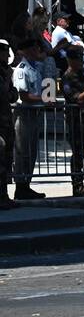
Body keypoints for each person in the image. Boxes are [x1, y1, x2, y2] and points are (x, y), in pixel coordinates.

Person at [11, 38, 50, 200]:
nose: (37, 52)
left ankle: (27, 184)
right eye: (33, 49)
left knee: (31, 151)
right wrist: (44, 99)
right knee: (22, 151)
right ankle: (21, 186)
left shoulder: (35, 68)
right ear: (25, 51)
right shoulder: (21, 70)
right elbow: (24, 95)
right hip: (23, 115)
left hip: (34, 114)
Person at [60, 47, 84, 197]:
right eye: (78, 58)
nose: (81, 61)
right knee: (78, 154)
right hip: (76, 120)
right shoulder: (67, 78)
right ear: (71, 60)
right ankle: (78, 186)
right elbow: (79, 98)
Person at [0, 41, 13, 208]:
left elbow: (11, 94)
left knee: (7, 159)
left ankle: (4, 195)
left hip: (6, 121)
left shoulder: (4, 71)